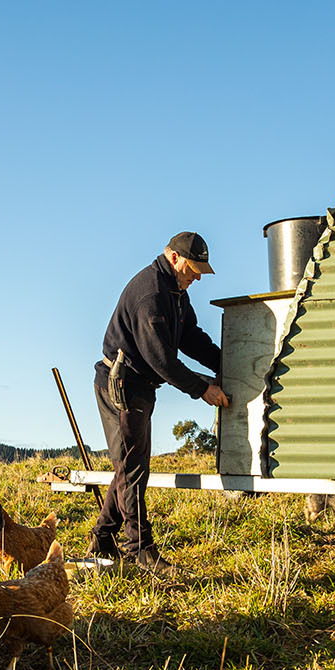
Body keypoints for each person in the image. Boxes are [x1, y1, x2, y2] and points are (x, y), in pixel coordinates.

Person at [89, 231, 231, 576]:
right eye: (193, 268)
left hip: (140, 384)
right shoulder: (150, 294)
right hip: (121, 383)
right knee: (134, 467)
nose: (196, 276)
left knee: (129, 464)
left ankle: (102, 538)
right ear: (174, 258)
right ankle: (140, 550)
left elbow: (191, 338)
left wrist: (227, 363)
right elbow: (161, 360)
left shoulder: (175, 291)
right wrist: (203, 389)